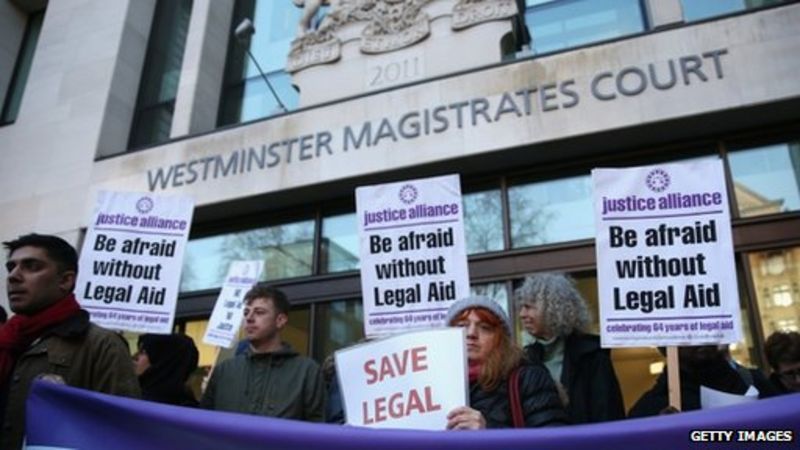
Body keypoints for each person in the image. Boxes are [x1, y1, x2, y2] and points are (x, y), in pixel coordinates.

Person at [0, 233, 140, 449]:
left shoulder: (101, 345)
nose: (14, 276)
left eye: (31, 266)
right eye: (12, 267)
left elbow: (121, 434)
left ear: (65, 280)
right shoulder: (6, 342)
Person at [200, 286, 324, 421]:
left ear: (280, 320)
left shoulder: (306, 371)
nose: (249, 318)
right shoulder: (224, 371)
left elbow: (317, 430)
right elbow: (203, 425)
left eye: (259, 312)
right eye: (246, 312)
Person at [515, 273, 625, 424]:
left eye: (528, 307)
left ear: (553, 308)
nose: (522, 314)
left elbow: (609, 416)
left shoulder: (592, 356)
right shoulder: (525, 360)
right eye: (521, 307)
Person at [445, 296, 566, 429]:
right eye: (462, 326)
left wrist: (488, 432)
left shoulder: (527, 378)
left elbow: (552, 442)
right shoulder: (435, 383)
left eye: (485, 327)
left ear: (501, 339)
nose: (471, 333)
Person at [628, 345, 777, 417]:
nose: (699, 334)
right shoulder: (648, 411)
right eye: (685, 326)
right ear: (664, 347)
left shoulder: (754, 383)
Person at [135, 333, 200, 406]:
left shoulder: (137, 404)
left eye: (143, 352)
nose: (135, 357)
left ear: (161, 361)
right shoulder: (132, 394)